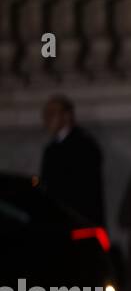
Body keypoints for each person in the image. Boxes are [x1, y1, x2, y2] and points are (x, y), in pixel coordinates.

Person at [39, 95, 106, 226]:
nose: (46, 119)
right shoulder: (52, 148)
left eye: (52, 113)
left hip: (78, 223)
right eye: (46, 114)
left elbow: (82, 190)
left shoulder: (83, 146)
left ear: (67, 116)